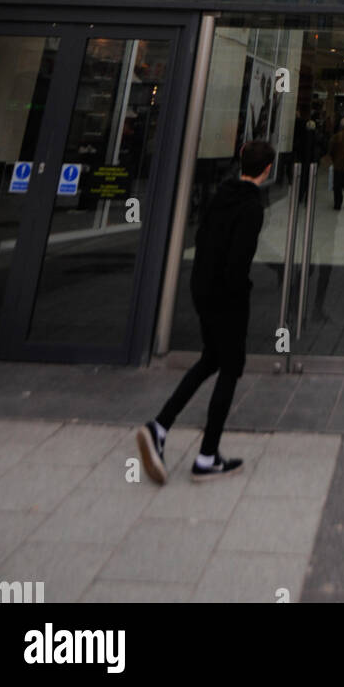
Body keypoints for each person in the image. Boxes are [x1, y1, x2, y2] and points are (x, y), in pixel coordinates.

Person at [136, 139, 275, 483]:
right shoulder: (251, 208)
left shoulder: (221, 196)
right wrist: (240, 298)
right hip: (226, 300)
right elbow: (238, 263)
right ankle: (207, 456)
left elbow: (202, 240)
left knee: (211, 360)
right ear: (269, 169)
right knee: (230, 368)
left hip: (201, 289)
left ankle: (160, 427)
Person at [327, 116, 344, 210]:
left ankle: (337, 203)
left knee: (337, 184)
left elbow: (331, 150)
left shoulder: (336, 136)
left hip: (338, 164)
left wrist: (333, 159)